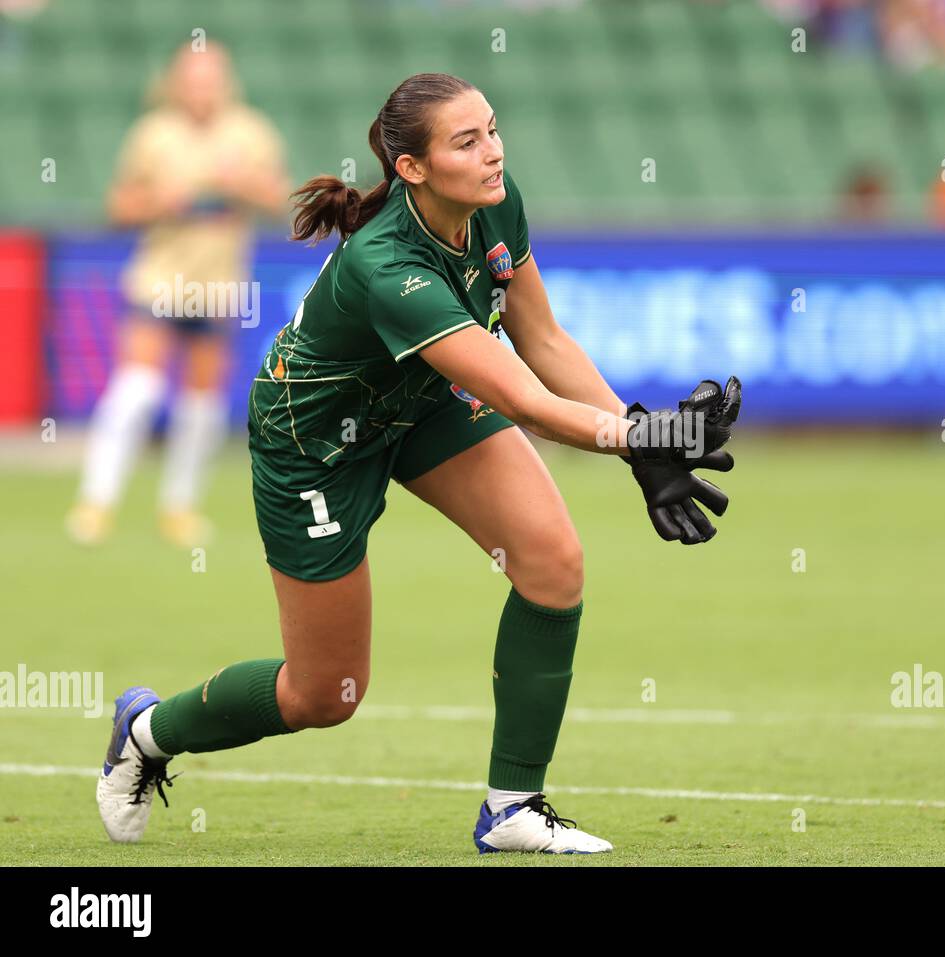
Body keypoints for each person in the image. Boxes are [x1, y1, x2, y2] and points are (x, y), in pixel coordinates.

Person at [95, 73, 742, 855]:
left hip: (422, 401)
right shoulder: (386, 265)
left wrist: (636, 437)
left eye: (493, 130)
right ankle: (147, 731)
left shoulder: (496, 203)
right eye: (467, 142)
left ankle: (511, 808)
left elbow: (543, 342)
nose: (493, 152)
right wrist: (647, 437)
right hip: (317, 442)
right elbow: (526, 402)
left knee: (553, 561)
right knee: (324, 694)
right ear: (413, 168)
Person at [66, 42, 289, 547]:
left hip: (216, 288)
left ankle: (179, 508)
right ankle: (96, 501)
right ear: (176, 82)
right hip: (160, 280)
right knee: (137, 391)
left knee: (201, 406)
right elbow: (119, 207)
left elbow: (279, 199)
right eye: (193, 78)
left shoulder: (250, 132)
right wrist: (160, 202)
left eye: (211, 78)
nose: (202, 88)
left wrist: (244, 186)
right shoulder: (154, 133)